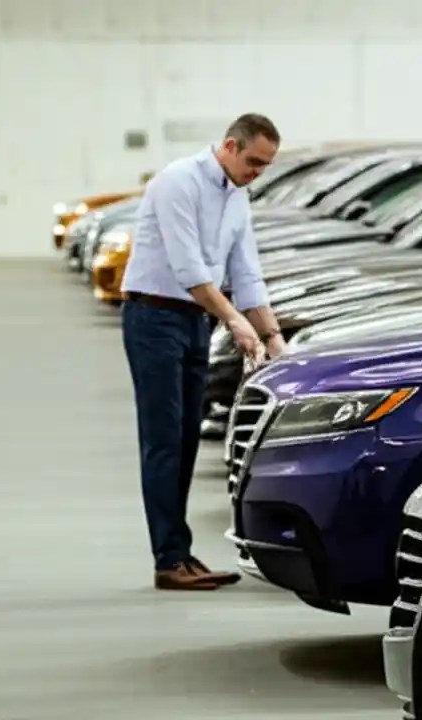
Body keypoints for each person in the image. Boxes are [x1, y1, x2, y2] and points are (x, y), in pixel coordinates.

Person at [120, 113, 287, 590]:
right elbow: (188, 266)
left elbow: (246, 271)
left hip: (195, 321)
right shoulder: (178, 182)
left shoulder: (237, 196)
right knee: (163, 442)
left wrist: (273, 337)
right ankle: (168, 559)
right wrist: (234, 322)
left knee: (187, 441)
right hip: (153, 319)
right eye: (254, 161)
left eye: (266, 165)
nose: (259, 172)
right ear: (230, 146)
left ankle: (181, 553)